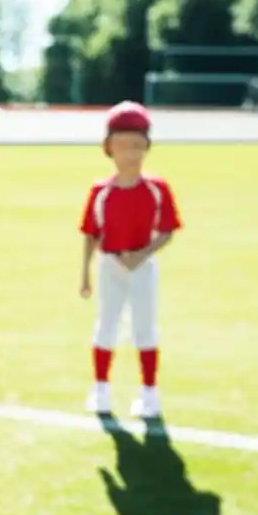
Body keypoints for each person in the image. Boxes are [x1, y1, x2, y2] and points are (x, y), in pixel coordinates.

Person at [79, 101, 182, 419]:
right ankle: (101, 389)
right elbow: (91, 234)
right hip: (111, 266)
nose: (130, 154)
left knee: (145, 328)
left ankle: (149, 393)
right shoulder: (100, 191)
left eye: (137, 146)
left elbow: (167, 230)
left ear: (147, 147)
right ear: (109, 147)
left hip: (143, 269)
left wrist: (143, 253)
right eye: (122, 145)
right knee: (106, 326)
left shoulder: (156, 188)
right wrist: (85, 274)